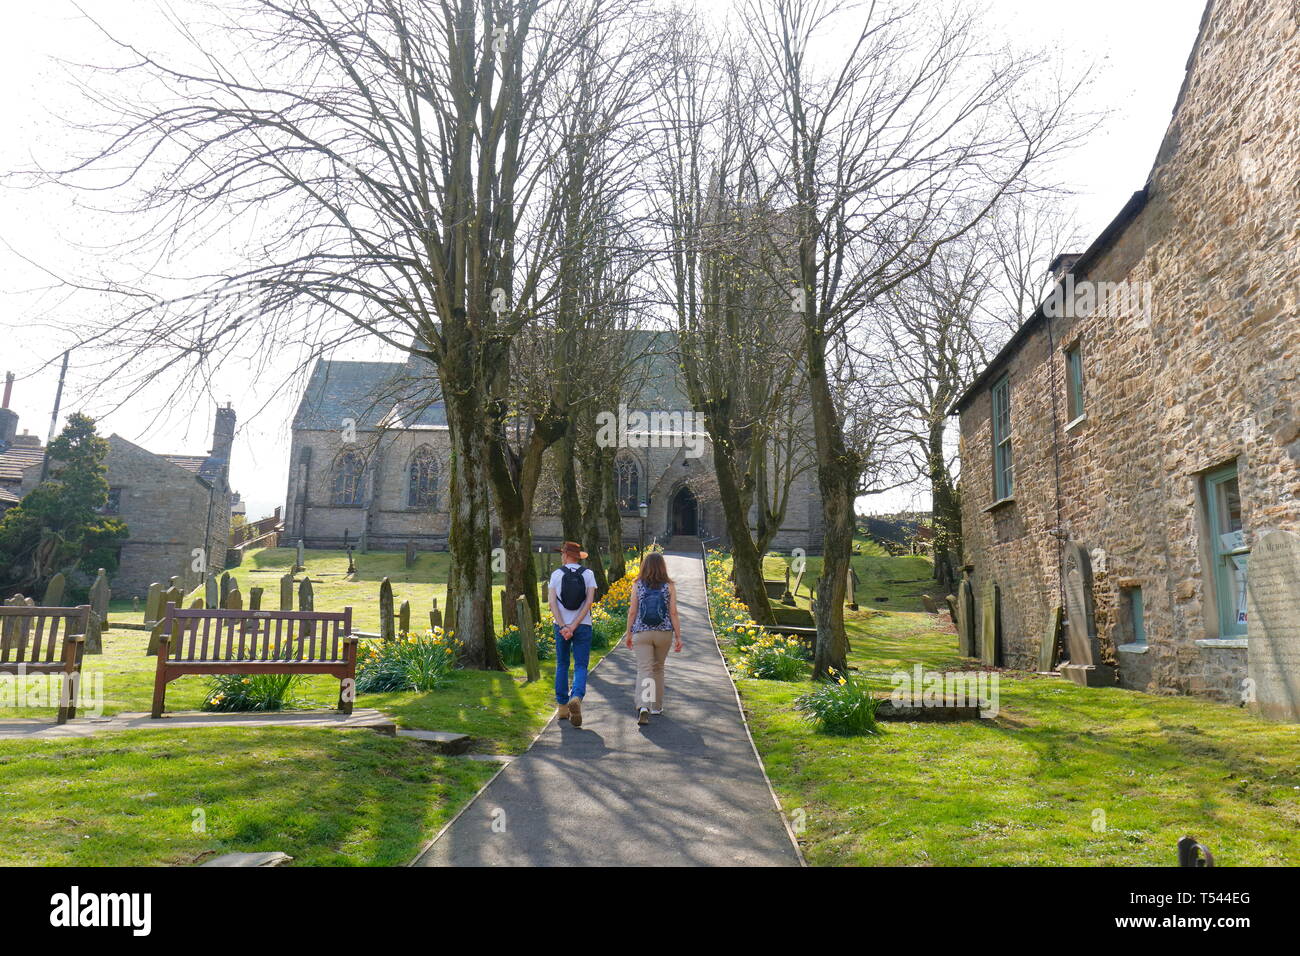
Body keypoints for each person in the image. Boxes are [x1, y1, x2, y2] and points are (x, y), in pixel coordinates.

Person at [623, 551, 683, 725]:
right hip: (664, 632)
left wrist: (629, 633)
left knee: (644, 669)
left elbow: (633, 611)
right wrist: (678, 636)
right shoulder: (669, 586)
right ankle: (656, 706)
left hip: (642, 632)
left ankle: (644, 706)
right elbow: (673, 612)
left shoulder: (637, 584)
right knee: (658, 668)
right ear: (662, 567)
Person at [549, 541, 597, 728]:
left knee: (562, 663)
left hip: (561, 626)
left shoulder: (556, 574)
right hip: (583, 625)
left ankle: (562, 706)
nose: (561, 556)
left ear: (567, 555)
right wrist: (575, 625)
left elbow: (552, 603)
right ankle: (576, 696)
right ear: (577, 557)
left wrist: (564, 626)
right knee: (581, 665)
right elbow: (589, 603)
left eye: (562, 553)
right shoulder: (589, 574)